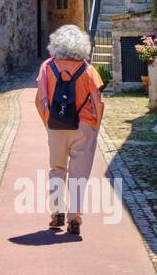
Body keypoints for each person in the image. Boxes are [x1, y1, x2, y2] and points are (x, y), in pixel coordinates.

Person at [34, 24, 105, 236]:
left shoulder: (47, 67)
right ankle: (75, 217)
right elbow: (98, 101)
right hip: (83, 125)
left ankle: (56, 213)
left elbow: (39, 100)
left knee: (57, 168)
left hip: (56, 125)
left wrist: (47, 122)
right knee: (79, 173)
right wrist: (96, 124)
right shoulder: (88, 69)